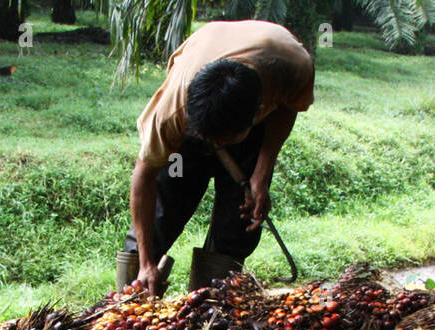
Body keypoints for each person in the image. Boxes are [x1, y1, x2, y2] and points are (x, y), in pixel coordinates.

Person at [120, 19, 315, 295]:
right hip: (189, 139)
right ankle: (129, 295)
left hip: (247, 130)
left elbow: (288, 105)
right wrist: (146, 261)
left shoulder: (292, 66)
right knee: (167, 203)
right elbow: (144, 177)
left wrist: (261, 172)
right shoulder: (172, 114)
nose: (216, 145)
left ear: (258, 112)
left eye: (222, 140)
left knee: (238, 220)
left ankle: (208, 307)